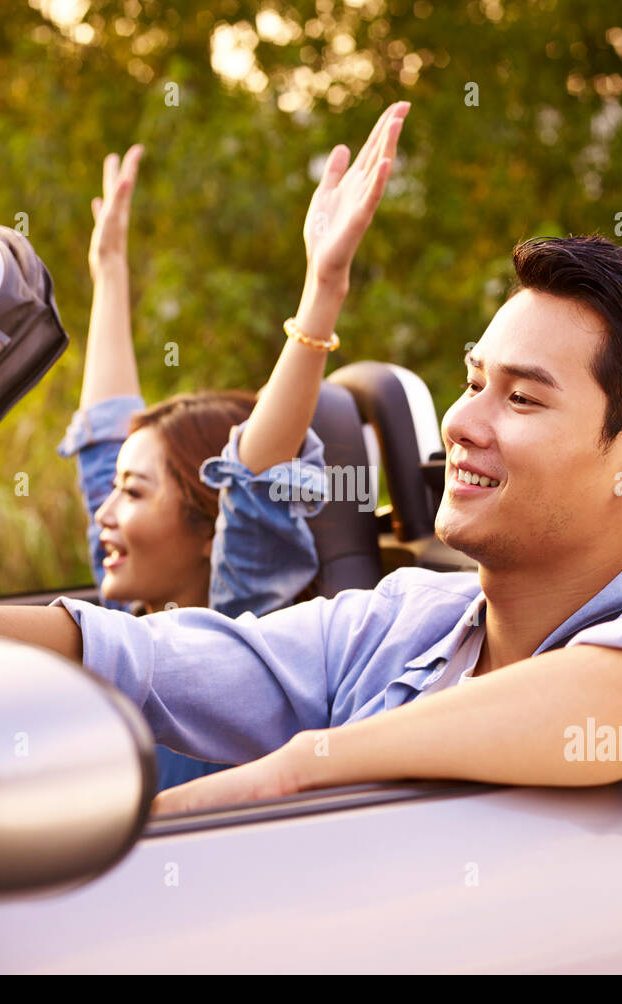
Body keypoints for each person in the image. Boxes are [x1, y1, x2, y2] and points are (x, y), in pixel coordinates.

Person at [0, 173, 622, 818]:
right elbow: (134, 655)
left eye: (522, 398)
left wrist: (299, 769)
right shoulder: (399, 620)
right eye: (473, 381)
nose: (463, 421)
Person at [53, 104, 410, 791]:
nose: (104, 511)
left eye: (132, 492)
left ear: (207, 529)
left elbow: (256, 479)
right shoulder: (128, 618)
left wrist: (323, 288)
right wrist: (111, 271)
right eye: (117, 489)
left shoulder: (238, 643)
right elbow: (103, 433)